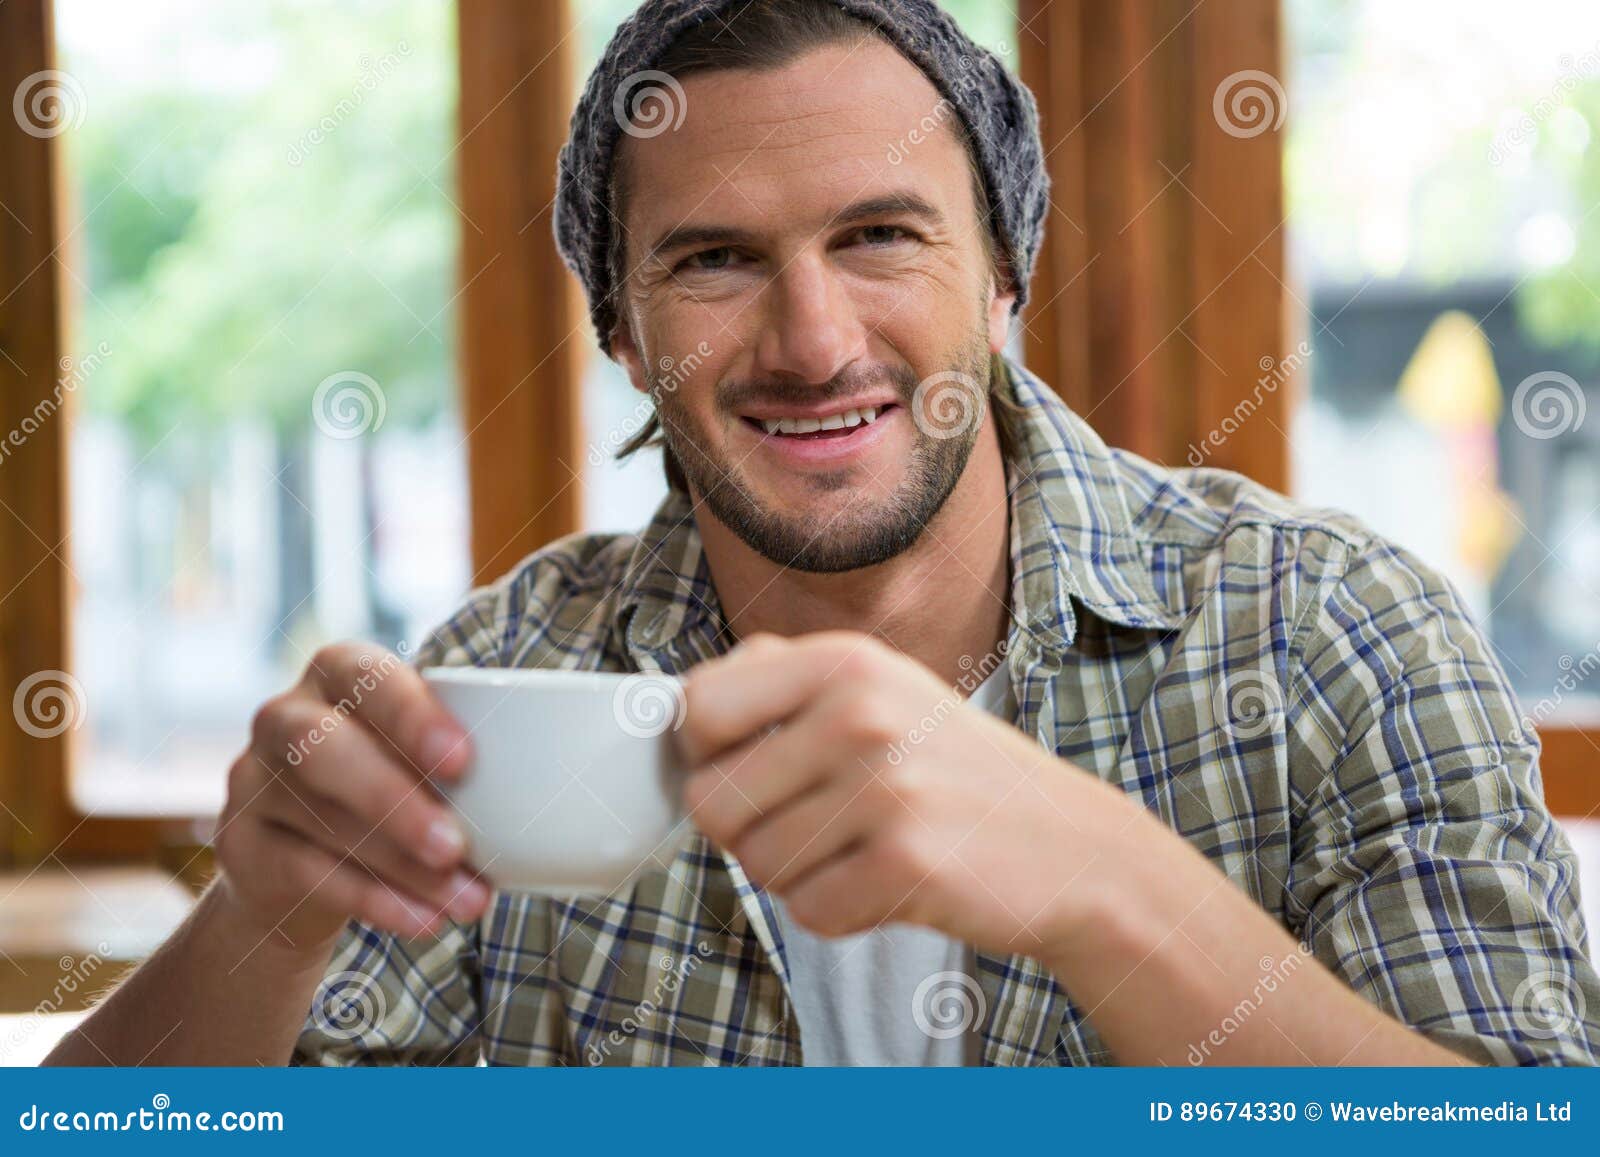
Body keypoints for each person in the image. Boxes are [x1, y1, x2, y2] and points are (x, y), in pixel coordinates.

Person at [50, 0, 1600, 1067]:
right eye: (716, 260)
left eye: (879, 237)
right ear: (622, 333)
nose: (810, 338)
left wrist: (1106, 884)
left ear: (1005, 279)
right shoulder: (507, 686)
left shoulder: (1341, 635)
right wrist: (262, 918)